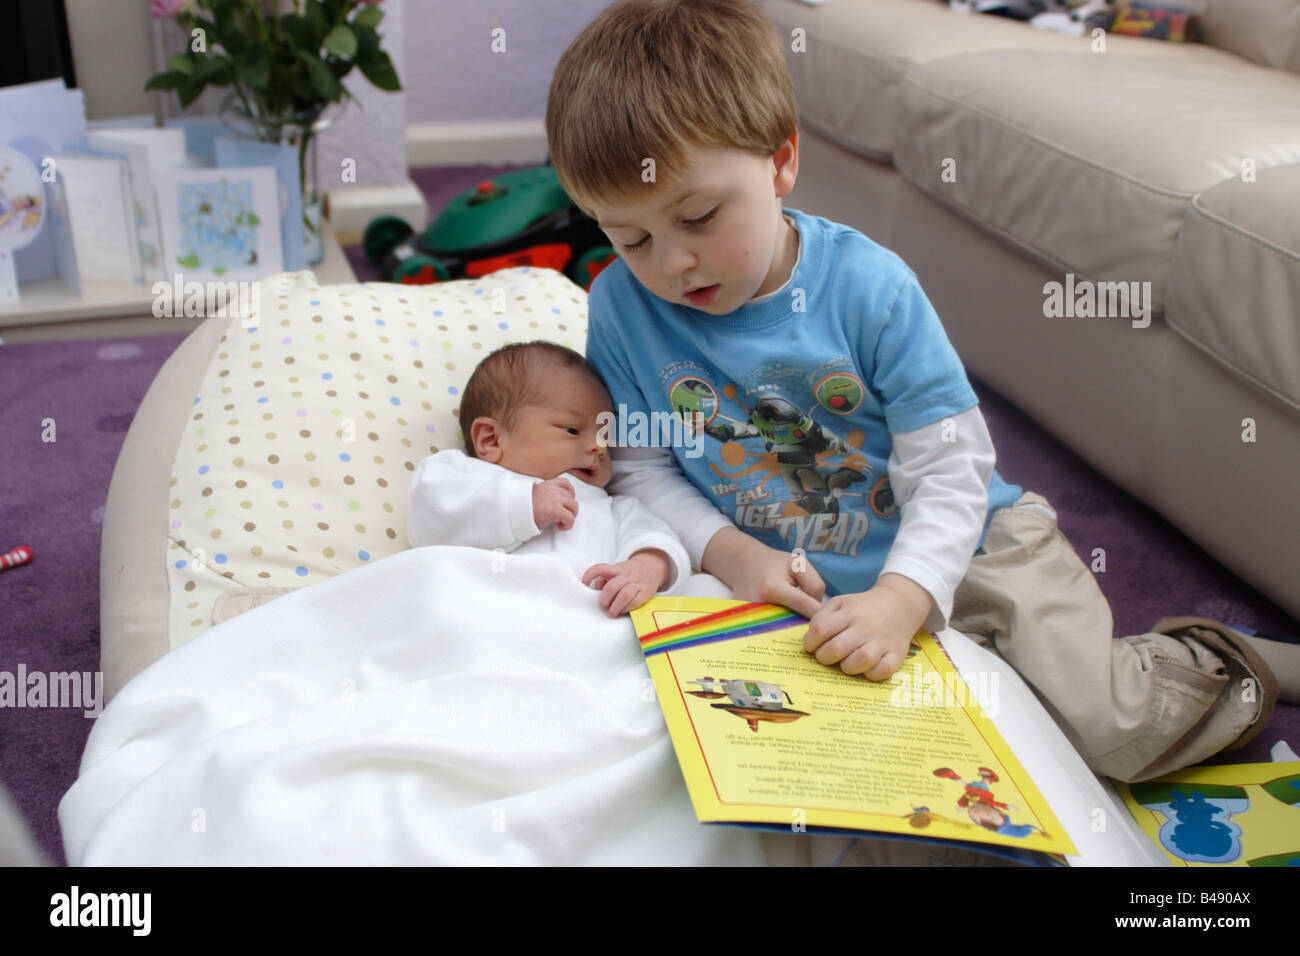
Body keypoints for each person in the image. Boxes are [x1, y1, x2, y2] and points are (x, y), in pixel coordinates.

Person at [543, 0, 1283, 781]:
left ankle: (1217, 661)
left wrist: (904, 597)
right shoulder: (619, 308)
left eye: (698, 217)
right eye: (630, 238)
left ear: (781, 162)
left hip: (974, 546)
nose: (672, 265)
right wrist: (729, 552)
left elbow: (954, 467)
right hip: (805, 579)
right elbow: (643, 464)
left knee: (1109, 736)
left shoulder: (872, 290)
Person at [406, 341, 691, 617]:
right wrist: (523, 504)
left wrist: (644, 570)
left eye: (607, 434)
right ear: (491, 440)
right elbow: (431, 517)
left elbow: (656, 539)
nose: (600, 447)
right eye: (571, 430)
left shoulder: (616, 508)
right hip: (480, 617)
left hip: (577, 637)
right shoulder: (462, 474)